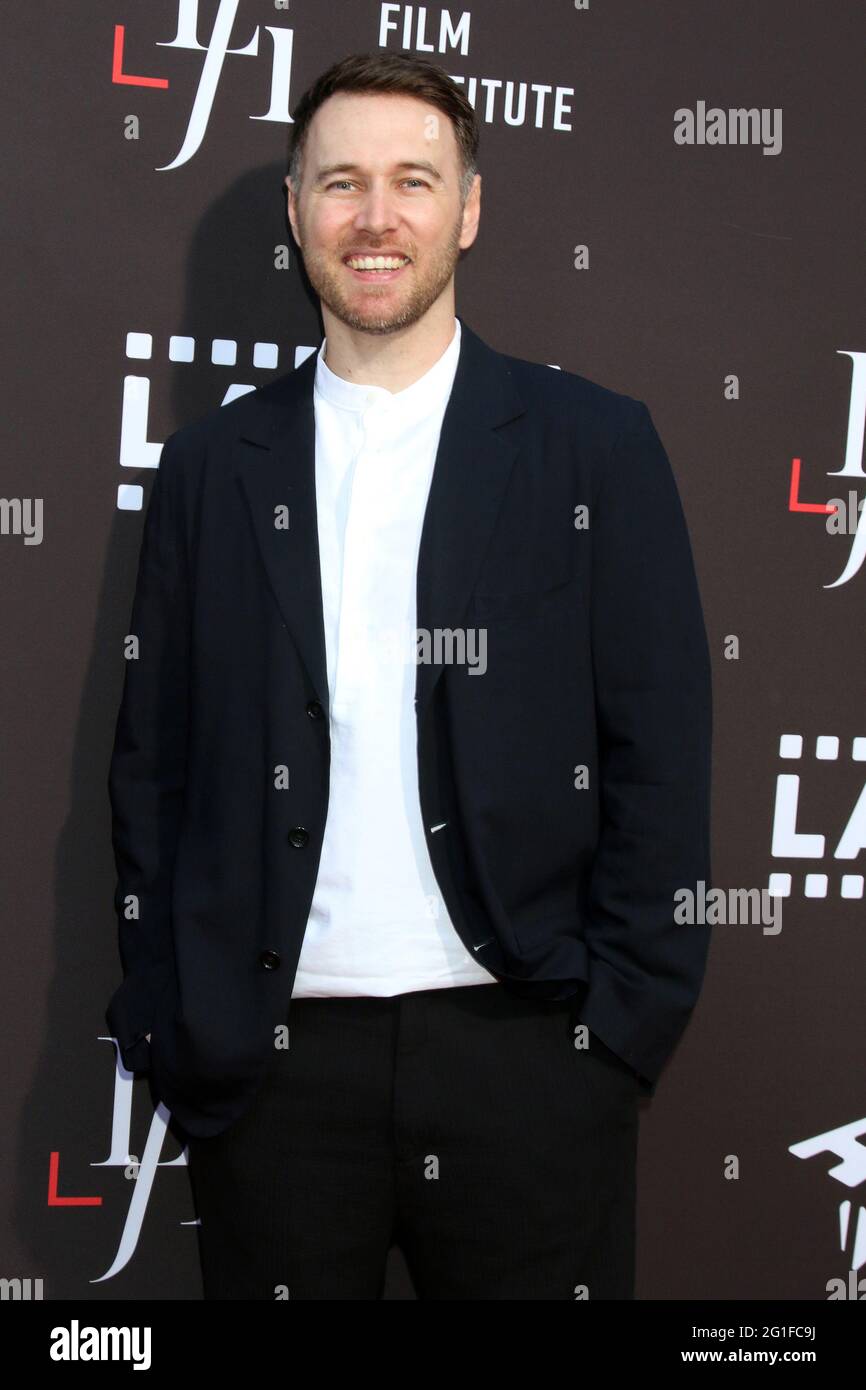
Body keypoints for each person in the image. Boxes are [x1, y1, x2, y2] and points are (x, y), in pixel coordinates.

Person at [106, 50, 712, 1300]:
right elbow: (151, 765)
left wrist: (619, 1028)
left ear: (467, 210)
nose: (375, 218)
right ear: (295, 214)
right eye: (340, 182)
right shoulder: (212, 467)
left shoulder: (592, 447)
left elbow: (660, 746)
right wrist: (171, 1010)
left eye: (411, 181)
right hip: (271, 1074)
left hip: (527, 1058)